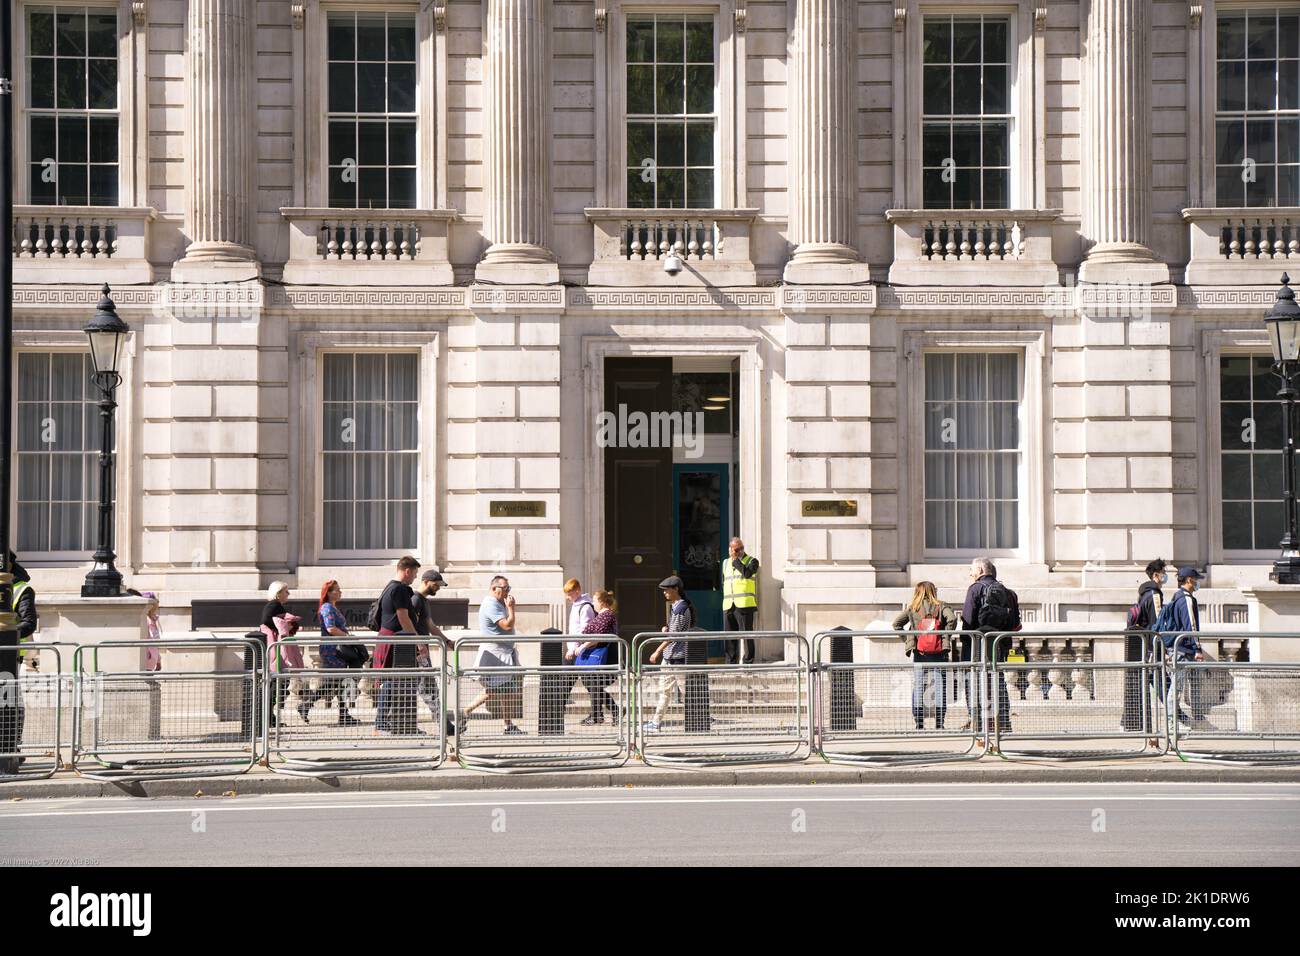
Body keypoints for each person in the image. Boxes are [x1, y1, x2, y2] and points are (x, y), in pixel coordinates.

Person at [961, 557, 1020, 737]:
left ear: (980, 570)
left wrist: (966, 642)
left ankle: (977, 722)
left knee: (974, 681)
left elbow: (968, 620)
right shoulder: (1009, 593)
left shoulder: (975, 589)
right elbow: (1015, 624)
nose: (970, 573)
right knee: (998, 681)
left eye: (972, 570)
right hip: (998, 644)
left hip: (977, 644)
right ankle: (1003, 722)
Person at [892, 582, 958, 730]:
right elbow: (952, 619)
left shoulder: (913, 607)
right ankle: (939, 723)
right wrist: (945, 636)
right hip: (939, 653)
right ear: (934, 591)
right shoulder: (941, 606)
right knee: (940, 686)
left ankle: (919, 723)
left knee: (918, 687)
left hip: (920, 653)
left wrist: (910, 641)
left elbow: (896, 624)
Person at [296, 580, 363, 727]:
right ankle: (309, 706)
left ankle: (342, 714)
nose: (340, 592)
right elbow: (331, 628)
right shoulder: (327, 608)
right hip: (332, 650)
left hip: (337, 648)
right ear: (329, 593)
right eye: (337, 590)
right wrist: (348, 637)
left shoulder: (333, 607)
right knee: (335, 681)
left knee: (337, 682)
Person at [463, 575, 524, 735]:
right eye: (505, 588)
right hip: (497, 654)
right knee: (495, 689)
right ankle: (466, 711)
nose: (507, 592)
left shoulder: (497, 602)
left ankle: (508, 725)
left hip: (503, 652)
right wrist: (511, 607)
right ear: (494, 588)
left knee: (506, 690)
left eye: (508, 588)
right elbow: (506, 625)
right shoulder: (492, 605)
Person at [374, 556, 423, 736]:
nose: (415, 577)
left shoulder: (389, 587)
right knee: (390, 682)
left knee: (393, 682)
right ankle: (380, 724)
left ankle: (396, 723)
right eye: (415, 573)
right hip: (395, 641)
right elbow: (403, 617)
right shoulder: (400, 589)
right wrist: (417, 642)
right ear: (407, 571)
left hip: (388, 638)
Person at [0, 554, 38, 775]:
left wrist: (7, 637)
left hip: (9, 657)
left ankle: (11, 748)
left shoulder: (21, 589)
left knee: (11, 706)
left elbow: (29, 623)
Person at [1158, 566, 1207, 733]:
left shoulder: (1175, 598)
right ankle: (1172, 723)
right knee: (1176, 688)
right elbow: (1190, 626)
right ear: (1189, 580)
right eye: (1196, 579)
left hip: (1175, 649)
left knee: (1177, 687)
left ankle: (1190, 720)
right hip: (1183, 651)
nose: (1197, 583)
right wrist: (1197, 648)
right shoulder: (1186, 599)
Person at [1121, 558, 1167, 732]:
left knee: (1141, 683)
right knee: (1162, 684)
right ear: (1156, 575)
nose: (1165, 576)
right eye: (1163, 573)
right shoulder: (1154, 595)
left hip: (1143, 645)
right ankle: (1179, 719)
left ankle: (1126, 722)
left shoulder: (1143, 593)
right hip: (1151, 646)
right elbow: (1157, 624)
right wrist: (1162, 648)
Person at [644, 576, 695, 733]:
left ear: (676, 589)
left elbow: (675, 635)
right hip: (670, 657)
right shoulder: (675, 607)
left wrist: (657, 651)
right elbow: (673, 631)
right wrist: (666, 630)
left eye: (667, 590)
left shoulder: (680, 608)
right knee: (665, 691)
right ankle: (656, 722)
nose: (664, 593)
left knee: (687, 692)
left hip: (677, 657)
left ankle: (702, 717)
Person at [410, 568, 455, 738]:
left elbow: (430, 625)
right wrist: (418, 644)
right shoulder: (415, 600)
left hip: (421, 651)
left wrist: (446, 640)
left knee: (426, 689)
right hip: (418, 652)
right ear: (427, 582)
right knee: (428, 689)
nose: (438, 588)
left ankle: (445, 725)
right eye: (436, 585)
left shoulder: (424, 601)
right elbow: (409, 626)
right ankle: (446, 726)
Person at [574, 590, 621, 725]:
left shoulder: (607, 615)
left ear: (601, 602)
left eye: (594, 601)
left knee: (595, 685)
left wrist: (583, 646)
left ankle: (597, 715)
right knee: (593, 685)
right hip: (596, 656)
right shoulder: (600, 615)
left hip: (605, 658)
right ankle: (605, 713)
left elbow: (599, 636)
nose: (593, 603)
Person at [722, 538, 759, 664]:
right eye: (737, 549)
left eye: (742, 548)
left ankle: (748, 662)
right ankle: (731, 663)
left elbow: (747, 573)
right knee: (729, 636)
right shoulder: (725, 563)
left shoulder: (752, 561)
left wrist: (736, 560)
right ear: (730, 549)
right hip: (728, 604)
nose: (740, 551)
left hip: (744, 604)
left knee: (747, 635)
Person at [562, 579, 597, 712]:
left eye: (570, 593)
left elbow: (584, 631)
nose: (567, 597)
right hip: (576, 649)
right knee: (585, 683)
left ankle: (558, 711)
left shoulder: (585, 607)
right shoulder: (577, 604)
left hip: (579, 651)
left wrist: (573, 648)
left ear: (578, 591)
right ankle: (604, 712)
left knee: (586, 683)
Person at [260, 581, 292, 726]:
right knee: (277, 680)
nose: (288, 594)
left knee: (278, 681)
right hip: (273, 645)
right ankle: (268, 716)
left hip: (271, 643)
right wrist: (285, 625)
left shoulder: (275, 605)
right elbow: (267, 620)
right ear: (278, 593)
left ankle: (269, 716)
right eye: (286, 591)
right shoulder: (275, 604)